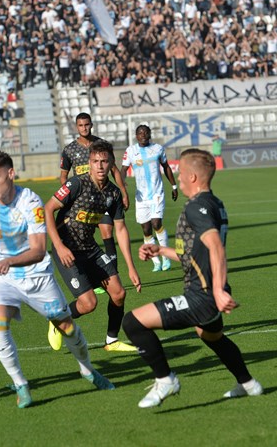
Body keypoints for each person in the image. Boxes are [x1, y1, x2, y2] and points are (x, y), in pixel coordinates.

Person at [0, 151, 115, 408]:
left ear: (10, 173)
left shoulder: (30, 202)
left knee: (68, 328)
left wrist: (10, 261)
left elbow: (39, 250)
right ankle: (21, 384)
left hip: (36, 277)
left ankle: (87, 370)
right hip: (0, 278)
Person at [122, 149, 262, 408]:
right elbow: (195, 252)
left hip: (203, 295)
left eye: (181, 173)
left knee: (133, 323)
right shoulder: (214, 203)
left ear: (194, 176)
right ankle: (248, 384)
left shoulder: (197, 206)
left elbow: (216, 248)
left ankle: (165, 380)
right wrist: (161, 250)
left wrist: (218, 290)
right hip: (208, 292)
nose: (178, 177)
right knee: (211, 337)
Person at [45, 140, 142, 353]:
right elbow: (48, 209)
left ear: (111, 164)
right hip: (67, 251)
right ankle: (57, 320)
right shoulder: (76, 184)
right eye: (95, 161)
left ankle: (111, 340)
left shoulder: (113, 194)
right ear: (89, 162)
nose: (99, 166)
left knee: (118, 294)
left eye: (104, 161)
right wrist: (59, 246)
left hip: (90, 249)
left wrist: (131, 267)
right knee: (89, 304)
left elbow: (121, 230)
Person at [60, 113, 130, 274]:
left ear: (91, 125)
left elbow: (114, 170)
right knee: (83, 238)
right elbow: (63, 175)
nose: (84, 128)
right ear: (76, 127)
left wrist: (124, 192)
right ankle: (92, 276)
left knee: (107, 231)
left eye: (87, 125)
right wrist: (69, 195)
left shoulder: (101, 146)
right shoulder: (69, 150)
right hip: (82, 200)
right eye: (80, 125)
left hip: (103, 196)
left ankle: (113, 273)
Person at [121, 125, 178, 272]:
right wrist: (122, 185)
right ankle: (156, 261)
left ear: (150, 134)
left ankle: (165, 257)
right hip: (141, 197)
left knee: (156, 223)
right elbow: (122, 170)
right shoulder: (131, 151)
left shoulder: (158, 148)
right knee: (146, 229)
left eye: (146, 133)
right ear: (136, 135)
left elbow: (166, 167)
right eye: (140, 133)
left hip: (157, 193)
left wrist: (173, 186)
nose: (143, 135)